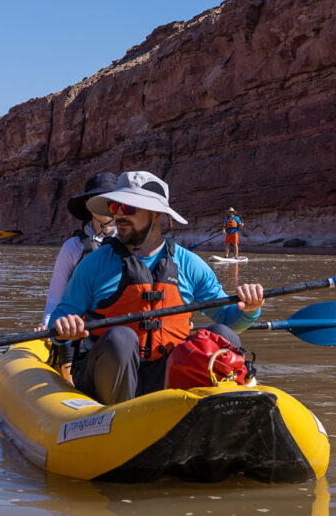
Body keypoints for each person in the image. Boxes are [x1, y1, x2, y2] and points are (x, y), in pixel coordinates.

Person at [50, 171, 264, 406]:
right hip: (107, 376)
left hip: (166, 374)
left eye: (129, 208)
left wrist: (250, 309)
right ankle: (119, 422)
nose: (119, 214)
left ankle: (217, 413)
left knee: (222, 336)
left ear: (157, 214)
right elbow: (58, 319)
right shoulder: (93, 264)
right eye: (115, 206)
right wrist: (63, 328)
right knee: (121, 339)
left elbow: (229, 319)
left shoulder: (189, 264)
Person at [43, 171, 118, 327]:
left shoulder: (132, 242)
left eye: (110, 199)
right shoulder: (72, 247)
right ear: (87, 204)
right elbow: (55, 299)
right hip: (79, 332)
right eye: (98, 199)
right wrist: (48, 326)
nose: (104, 204)